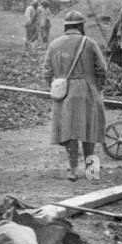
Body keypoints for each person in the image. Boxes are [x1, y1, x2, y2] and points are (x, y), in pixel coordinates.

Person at [43, 10, 107, 181]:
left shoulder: (54, 44)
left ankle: (72, 169)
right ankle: (91, 171)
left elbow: (47, 72)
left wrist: (56, 84)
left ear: (66, 26)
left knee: (68, 131)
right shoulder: (89, 43)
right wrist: (97, 87)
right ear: (80, 26)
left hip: (63, 92)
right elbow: (102, 69)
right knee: (89, 128)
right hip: (87, 90)